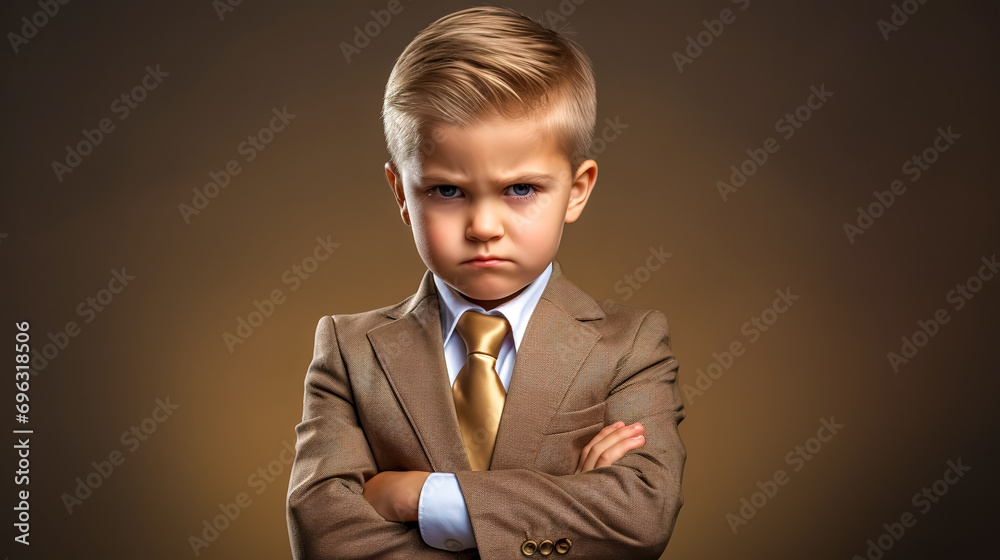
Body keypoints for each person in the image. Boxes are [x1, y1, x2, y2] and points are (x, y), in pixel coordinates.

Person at [286, 6, 685, 559]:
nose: (483, 227)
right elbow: (324, 536)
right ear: (401, 193)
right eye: (447, 191)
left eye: (520, 189)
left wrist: (416, 495)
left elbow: (640, 517)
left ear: (577, 188)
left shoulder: (630, 347)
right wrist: (571, 498)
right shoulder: (349, 353)